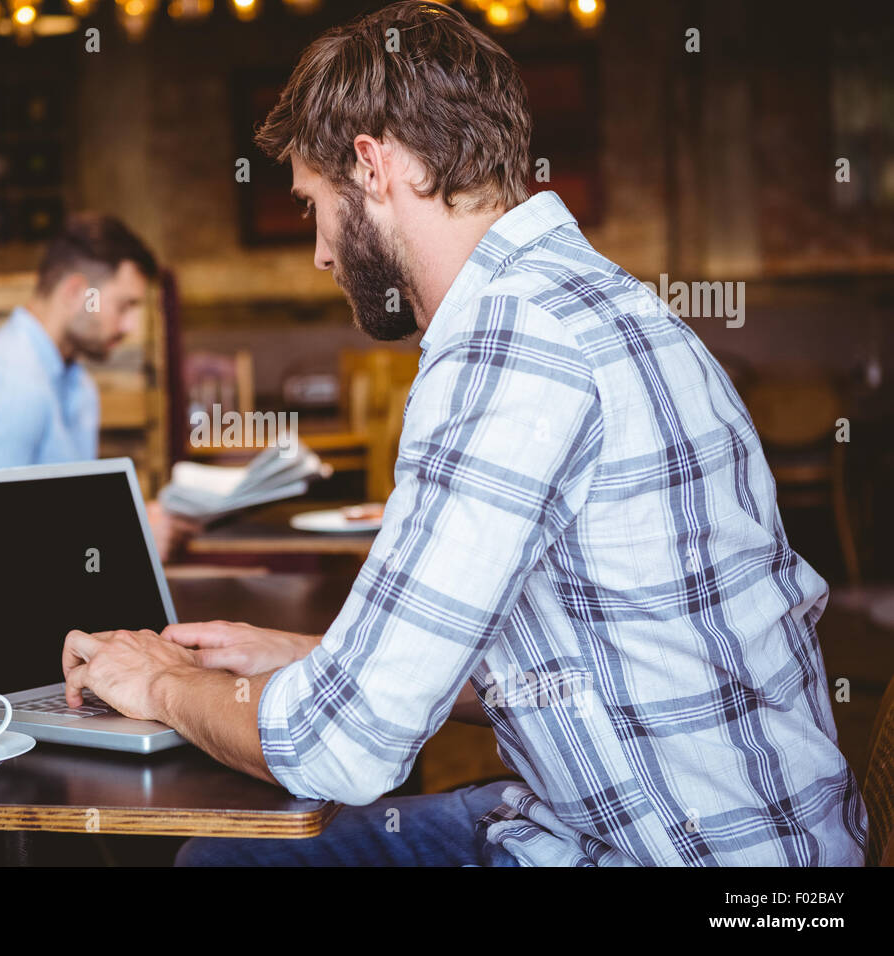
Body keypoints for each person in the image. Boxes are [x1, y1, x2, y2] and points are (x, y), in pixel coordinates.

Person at [58, 1, 867, 866]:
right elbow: (583, 671)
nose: (322, 254)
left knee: (224, 858)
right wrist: (316, 655)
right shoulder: (586, 297)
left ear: (371, 165)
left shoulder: (509, 345)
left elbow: (347, 749)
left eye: (312, 206)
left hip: (679, 856)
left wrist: (162, 683)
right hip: (724, 832)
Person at [0, 212, 194, 560]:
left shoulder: (76, 382)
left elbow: (58, 519)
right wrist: (128, 537)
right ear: (75, 292)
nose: (130, 325)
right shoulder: (4, 384)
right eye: (125, 305)